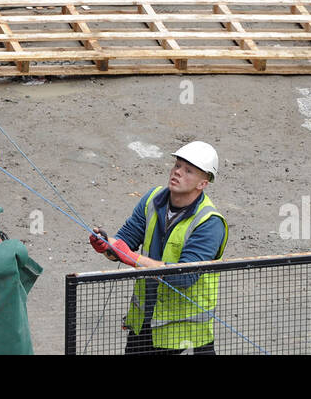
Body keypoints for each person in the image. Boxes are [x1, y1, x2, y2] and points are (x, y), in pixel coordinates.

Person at [90, 141, 229, 355]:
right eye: (177, 165)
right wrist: (108, 246)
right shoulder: (152, 200)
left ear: (203, 183)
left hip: (184, 336)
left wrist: (130, 257)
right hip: (144, 325)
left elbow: (184, 277)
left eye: (188, 170)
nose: (177, 172)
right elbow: (125, 241)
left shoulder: (209, 223)